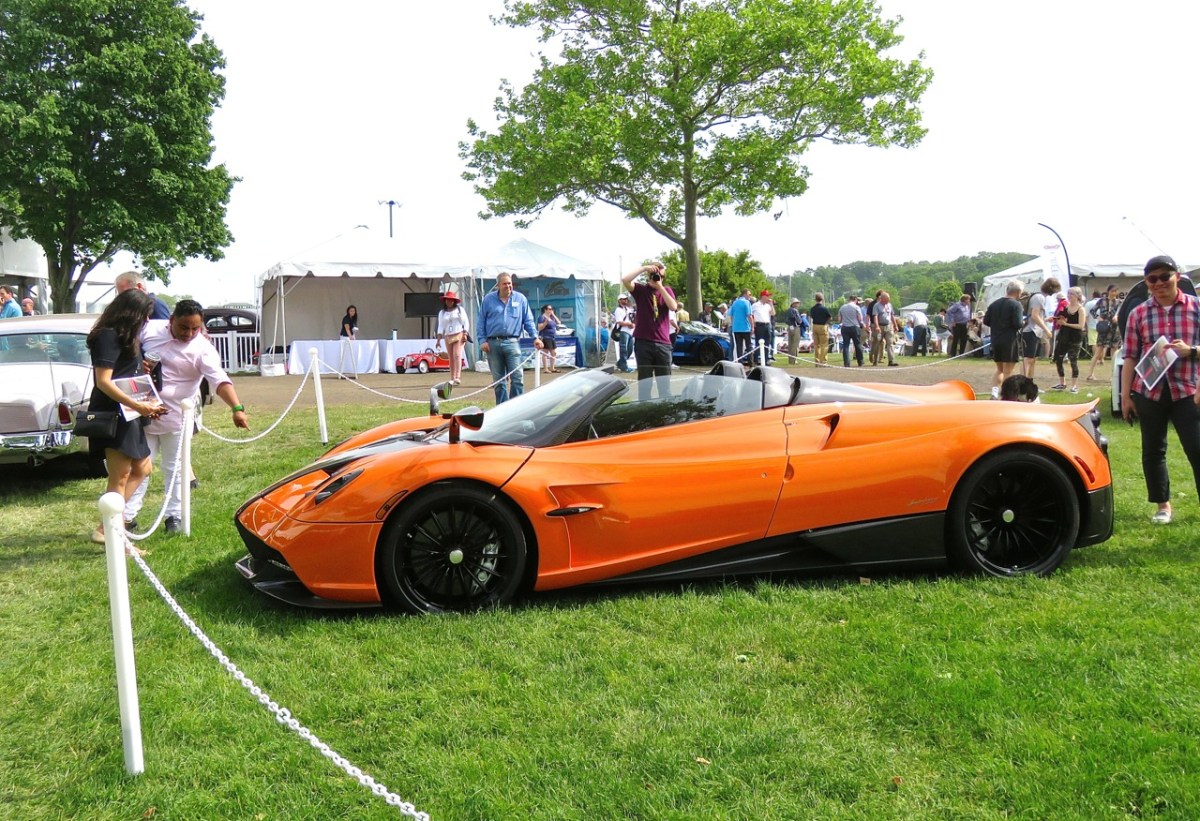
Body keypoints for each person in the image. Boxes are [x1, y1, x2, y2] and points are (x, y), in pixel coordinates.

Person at [125, 300, 250, 534]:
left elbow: (219, 380)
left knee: (175, 468)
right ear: (171, 320)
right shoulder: (149, 329)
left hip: (176, 417)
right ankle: (127, 515)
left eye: (196, 328)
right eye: (184, 327)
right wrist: (136, 363)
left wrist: (236, 408)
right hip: (143, 413)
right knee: (140, 466)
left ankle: (175, 517)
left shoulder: (202, 348)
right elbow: (128, 345)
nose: (189, 333)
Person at [1120, 255, 1200, 525]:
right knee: (1153, 450)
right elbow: (1129, 356)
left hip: (1189, 389)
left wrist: (1192, 351)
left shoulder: (1196, 308)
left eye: (1164, 277)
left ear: (1177, 275)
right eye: (1152, 279)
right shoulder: (1138, 313)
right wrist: (1125, 396)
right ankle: (1163, 506)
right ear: (1146, 282)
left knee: (1197, 448)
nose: (1159, 283)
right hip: (1149, 391)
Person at [84, 289, 167, 544]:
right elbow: (104, 382)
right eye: (143, 316)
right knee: (120, 476)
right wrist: (138, 406)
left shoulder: (126, 336)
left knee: (143, 467)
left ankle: (107, 527)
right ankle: (112, 533)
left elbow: (126, 376)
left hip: (129, 412)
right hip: (114, 413)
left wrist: (147, 399)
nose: (145, 322)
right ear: (131, 313)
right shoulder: (107, 336)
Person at [477, 272, 541, 403]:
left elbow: (528, 320)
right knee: (499, 381)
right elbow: (481, 321)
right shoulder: (488, 300)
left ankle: (515, 408)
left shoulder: (520, 299)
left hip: (513, 342)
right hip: (493, 343)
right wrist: (482, 340)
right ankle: (502, 409)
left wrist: (535, 337)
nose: (508, 286)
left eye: (510, 283)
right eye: (505, 283)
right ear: (498, 285)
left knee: (517, 378)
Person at [621, 260, 677, 400]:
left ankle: (665, 414)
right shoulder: (641, 290)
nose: (658, 278)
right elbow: (625, 280)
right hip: (643, 342)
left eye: (661, 276)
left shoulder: (667, 291)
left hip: (663, 343)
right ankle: (644, 412)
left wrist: (660, 286)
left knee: (664, 385)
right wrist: (644, 268)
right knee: (644, 384)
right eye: (655, 275)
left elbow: (673, 307)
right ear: (649, 276)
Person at [984, 280, 1025, 398]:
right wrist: (1023, 322)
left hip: (996, 339)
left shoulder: (994, 304)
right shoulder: (1016, 305)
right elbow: (1017, 324)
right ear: (1018, 292)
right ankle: (1007, 394)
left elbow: (986, 321)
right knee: (1008, 371)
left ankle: (994, 392)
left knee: (999, 369)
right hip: (1009, 340)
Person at [1021, 277, 1059, 379]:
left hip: (1034, 331)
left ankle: (1029, 383)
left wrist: (1046, 319)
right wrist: (1046, 329)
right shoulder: (1039, 298)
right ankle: (1023, 383)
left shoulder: (1039, 297)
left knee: (1032, 359)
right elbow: (1034, 316)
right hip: (1030, 331)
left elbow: (1035, 316)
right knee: (1028, 359)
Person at [1050, 287, 1086, 393]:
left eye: (1072, 294)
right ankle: (1062, 383)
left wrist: (1066, 324)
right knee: (1058, 359)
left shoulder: (1081, 309)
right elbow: (1062, 317)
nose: (1069, 296)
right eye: (1068, 293)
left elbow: (1081, 325)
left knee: (1073, 360)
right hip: (1064, 337)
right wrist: (1054, 319)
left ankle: (1074, 385)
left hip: (1075, 338)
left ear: (1077, 296)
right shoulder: (1066, 307)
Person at [1086, 284, 1120, 381]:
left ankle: (1113, 375)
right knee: (1098, 352)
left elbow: (1121, 313)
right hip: (1104, 328)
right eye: (1112, 291)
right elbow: (1092, 311)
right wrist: (1098, 317)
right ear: (1108, 291)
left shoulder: (1119, 302)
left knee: (1114, 352)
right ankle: (1090, 374)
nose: (1114, 293)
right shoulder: (1102, 301)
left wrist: (1117, 317)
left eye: (1115, 291)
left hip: (1114, 329)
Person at [435, 288, 470, 385]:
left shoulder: (460, 310)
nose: (449, 302)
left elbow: (466, 322)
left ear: (454, 301)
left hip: (459, 334)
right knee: (451, 357)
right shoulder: (442, 313)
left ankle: (457, 377)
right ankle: (452, 377)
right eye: (447, 300)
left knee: (457, 355)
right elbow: (440, 326)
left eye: (451, 300)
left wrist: (465, 334)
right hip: (448, 336)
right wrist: (438, 340)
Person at [871, 291, 897, 366]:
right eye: (886, 299)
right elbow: (875, 316)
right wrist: (877, 326)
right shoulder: (876, 306)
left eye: (888, 299)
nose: (888, 301)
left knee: (890, 343)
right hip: (880, 326)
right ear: (881, 299)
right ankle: (875, 360)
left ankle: (891, 361)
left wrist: (895, 325)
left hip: (888, 326)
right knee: (877, 343)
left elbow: (892, 315)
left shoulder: (889, 305)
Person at [611, 293, 635, 372]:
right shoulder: (618, 310)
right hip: (623, 331)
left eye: (626, 299)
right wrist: (629, 324)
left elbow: (631, 319)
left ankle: (621, 363)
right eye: (624, 299)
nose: (626, 300)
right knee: (624, 349)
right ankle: (624, 366)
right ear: (620, 301)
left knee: (630, 349)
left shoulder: (627, 309)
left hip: (629, 331)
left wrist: (632, 324)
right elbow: (619, 322)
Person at [838, 296, 865, 367]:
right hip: (855, 327)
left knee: (846, 345)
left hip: (845, 327)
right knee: (857, 344)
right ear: (855, 300)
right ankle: (860, 361)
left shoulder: (842, 307)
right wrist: (862, 325)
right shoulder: (856, 307)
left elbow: (839, 320)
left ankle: (846, 362)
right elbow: (860, 319)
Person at [728, 289, 753, 363]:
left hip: (736, 328)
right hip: (745, 328)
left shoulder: (735, 303)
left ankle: (740, 362)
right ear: (744, 294)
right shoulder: (747, 302)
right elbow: (749, 315)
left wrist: (733, 325)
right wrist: (752, 326)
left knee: (739, 346)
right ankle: (750, 362)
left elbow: (731, 316)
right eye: (749, 294)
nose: (750, 296)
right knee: (748, 346)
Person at [751, 290, 774, 365]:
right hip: (759, 324)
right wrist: (753, 324)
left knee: (767, 343)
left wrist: (771, 304)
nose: (768, 298)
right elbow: (751, 315)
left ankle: (766, 359)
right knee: (758, 342)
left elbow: (773, 313)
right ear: (763, 296)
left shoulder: (768, 306)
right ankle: (756, 359)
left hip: (767, 325)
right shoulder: (755, 305)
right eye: (767, 296)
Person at [946, 293, 972, 358]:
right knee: (956, 339)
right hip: (957, 324)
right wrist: (952, 321)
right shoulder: (957, 305)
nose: (969, 301)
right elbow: (949, 311)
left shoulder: (967, 306)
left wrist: (969, 321)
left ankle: (961, 353)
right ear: (964, 300)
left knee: (964, 339)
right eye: (968, 300)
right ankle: (953, 354)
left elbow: (967, 314)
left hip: (964, 324)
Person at [537, 304, 561, 373]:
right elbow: (539, 328)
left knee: (553, 353)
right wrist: (545, 322)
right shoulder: (542, 317)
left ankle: (552, 368)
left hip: (552, 337)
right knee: (545, 353)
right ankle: (545, 369)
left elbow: (559, 322)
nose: (551, 310)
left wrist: (553, 315)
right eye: (550, 309)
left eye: (552, 309)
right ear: (545, 310)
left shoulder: (552, 317)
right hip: (545, 337)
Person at [809, 293, 832, 366]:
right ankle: (823, 361)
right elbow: (829, 317)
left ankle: (817, 361)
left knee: (816, 345)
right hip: (822, 326)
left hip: (815, 326)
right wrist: (826, 323)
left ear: (815, 299)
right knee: (824, 345)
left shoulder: (812, 309)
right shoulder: (824, 308)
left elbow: (811, 316)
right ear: (822, 299)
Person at [784, 298, 805, 365]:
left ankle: (790, 360)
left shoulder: (789, 310)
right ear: (794, 304)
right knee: (795, 345)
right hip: (795, 327)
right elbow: (799, 321)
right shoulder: (795, 311)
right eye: (797, 303)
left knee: (790, 344)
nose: (798, 304)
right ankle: (794, 360)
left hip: (790, 327)